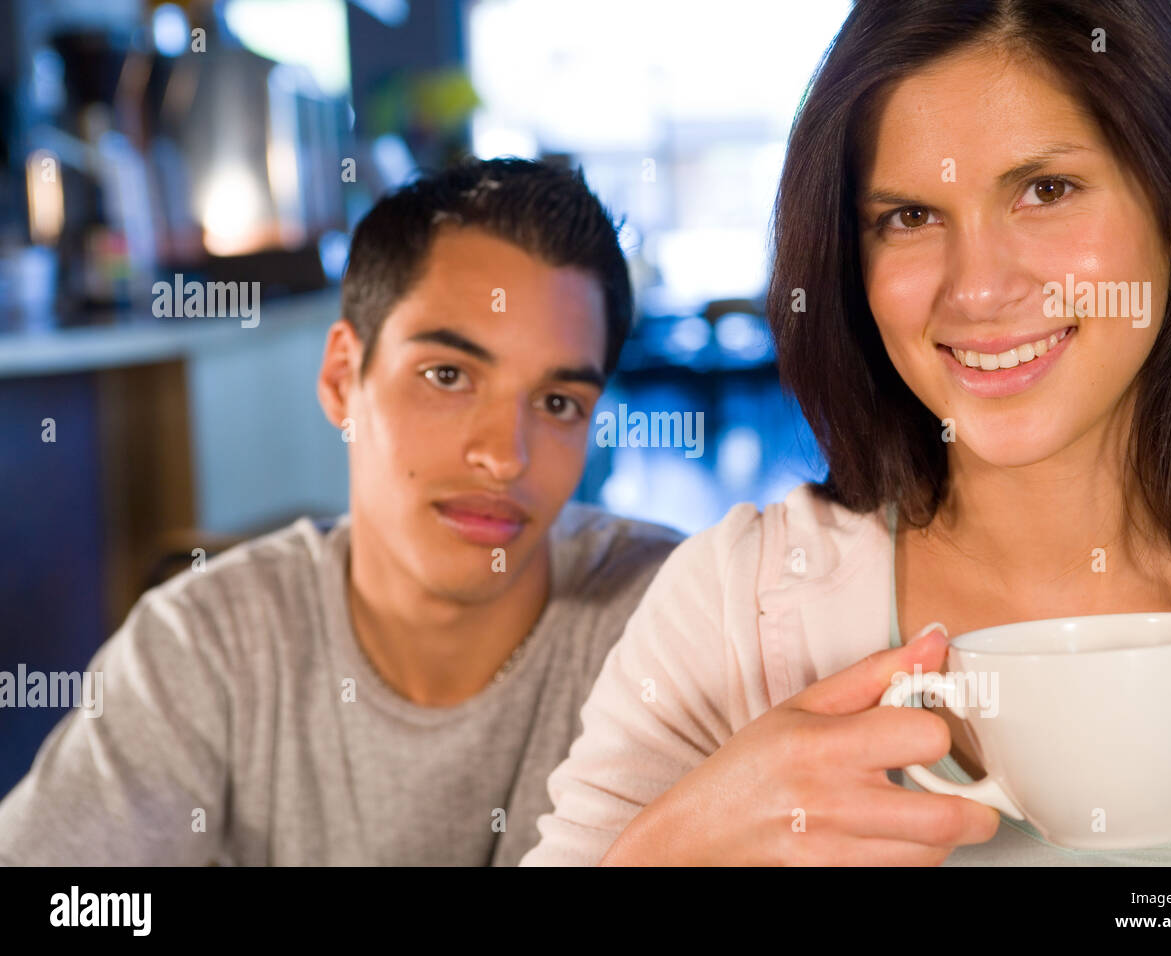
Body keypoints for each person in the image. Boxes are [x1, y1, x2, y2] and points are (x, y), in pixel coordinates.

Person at [521, 0, 1171, 866]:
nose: (977, 290)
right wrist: (674, 846)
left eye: (1046, 190)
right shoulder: (729, 605)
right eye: (910, 218)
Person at [0, 157, 683, 865]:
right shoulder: (207, 648)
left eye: (557, 403)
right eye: (448, 376)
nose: (506, 456)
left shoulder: (673, 621)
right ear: (339, 380)